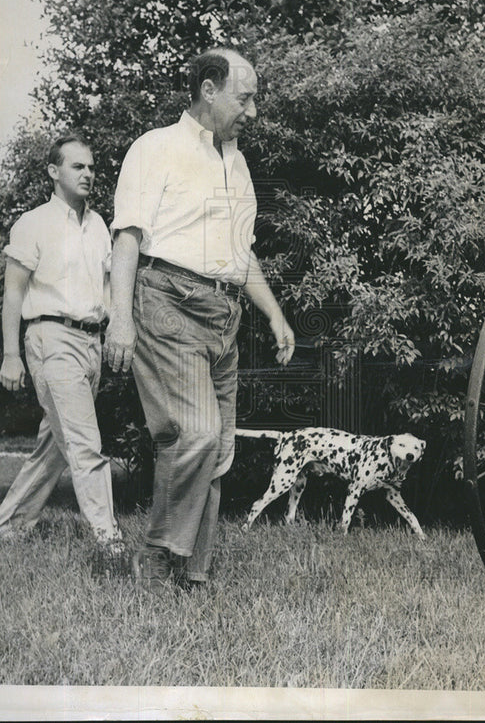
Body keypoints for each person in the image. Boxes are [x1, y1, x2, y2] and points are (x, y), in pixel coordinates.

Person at [105, 47, 295, 588]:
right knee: (196, 434)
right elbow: (128, 238)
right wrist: (121, 318)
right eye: (245, 98)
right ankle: (157, 553)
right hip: (169, 303)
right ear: (208, 89)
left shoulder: (236, 162)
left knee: (217, 450)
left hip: (224, 315)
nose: (252, 112)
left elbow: (242, 251)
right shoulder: (156, 148)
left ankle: (194, 575)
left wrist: (275, 315)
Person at [0, 134, 123, 554]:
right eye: (77, 166)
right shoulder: (33, 223)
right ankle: (110, 542)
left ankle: (7, 527)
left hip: (91, 342)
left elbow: (110, 286)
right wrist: (11, 355)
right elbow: (12, 293)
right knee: (85, 443)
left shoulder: (100, 225)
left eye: (91, 167)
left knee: (55, 446)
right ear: (54, 171)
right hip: (50, 337)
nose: (88, 174)